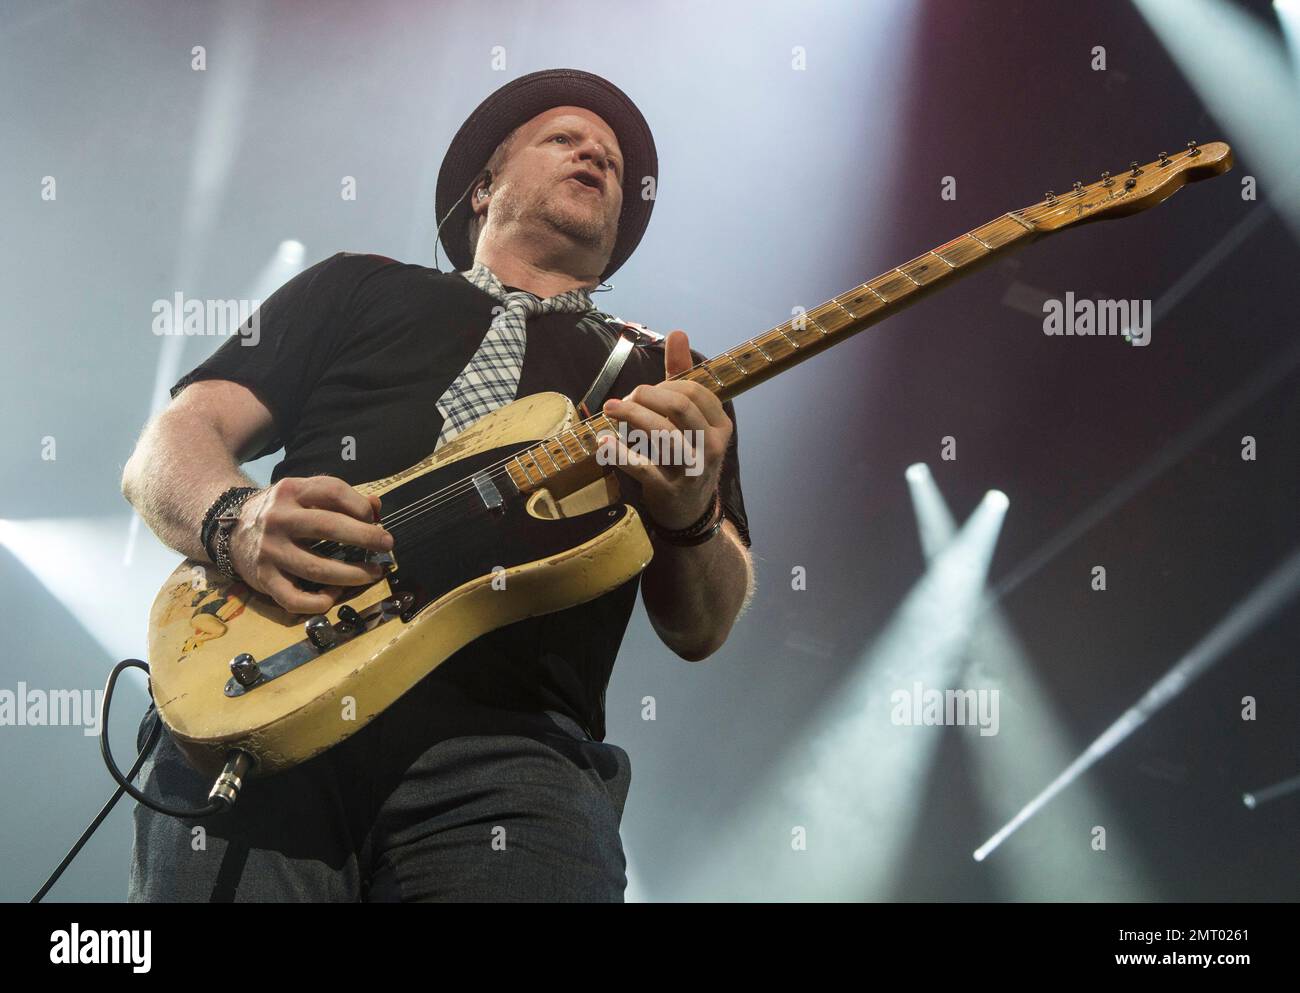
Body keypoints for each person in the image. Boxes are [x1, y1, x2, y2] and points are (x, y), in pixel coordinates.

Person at [120, 68, 754, 902]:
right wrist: (232, 518)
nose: (597, 155)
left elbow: (704, 624)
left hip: (513, 753)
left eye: (610, 158)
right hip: (269, 690)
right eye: (566, 139)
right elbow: (172, 443)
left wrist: (688, 516)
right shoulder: (357, 285)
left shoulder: (665, 378)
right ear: (483, 188)